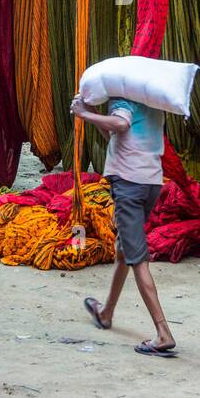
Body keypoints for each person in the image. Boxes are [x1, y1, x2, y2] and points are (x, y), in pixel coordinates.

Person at [70, 92, 177, 357]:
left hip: (129, 185)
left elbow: (121, 125)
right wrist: (94, 119)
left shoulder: (121, 99)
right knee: (124, 249)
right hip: (151, 182)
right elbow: (117, 138)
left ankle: (163, 334)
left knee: (138, 258)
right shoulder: (153, 101)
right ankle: (106, 312)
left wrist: (83, 114)